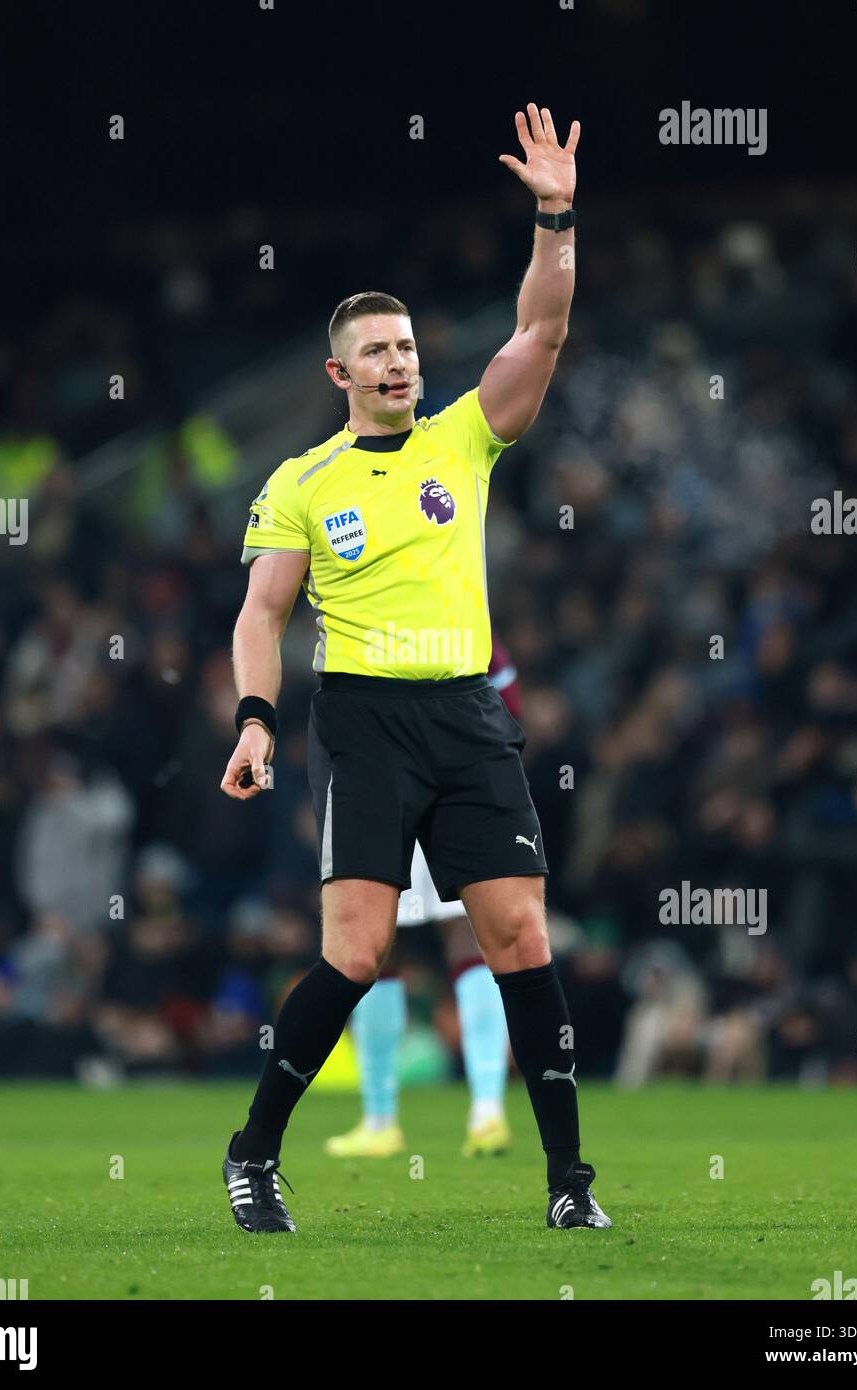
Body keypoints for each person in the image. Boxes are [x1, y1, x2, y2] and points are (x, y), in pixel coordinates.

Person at [220, 104, 610, 1233]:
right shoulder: (302, 481)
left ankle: (566, 1184)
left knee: (520, 940)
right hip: (363, 723)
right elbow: (261, 608)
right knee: (357, 949)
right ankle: (253, 1153)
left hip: (468, 713)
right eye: (376, 352)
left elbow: (539, 333)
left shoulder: (460, 438)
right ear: (336, 370)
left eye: (405, 347)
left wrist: (554, 213)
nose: (398, 362)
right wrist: (252, 715)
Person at [325, 639, 522, 1161]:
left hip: (389, 790)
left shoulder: (373, 623)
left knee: (374, 947)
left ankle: (380, 1119)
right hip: (464, 789)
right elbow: (513, 711)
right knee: (470, 943)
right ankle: (487, 1112)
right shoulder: (472, 630)